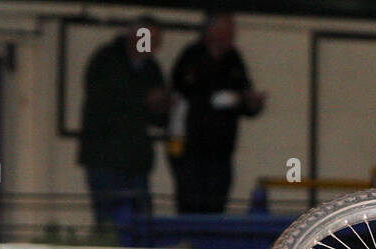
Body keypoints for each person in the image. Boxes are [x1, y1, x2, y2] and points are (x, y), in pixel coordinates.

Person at [168, 12, 266, 213]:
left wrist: (252, 103)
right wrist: (228, 98)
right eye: (227, 29)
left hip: (222, 148)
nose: (232, 34)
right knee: (190, 202)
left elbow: (244, 97)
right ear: (211, 31)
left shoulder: (233, 58)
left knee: (217, 203)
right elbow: (184, 92)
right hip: (191, 147)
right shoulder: (192, 55)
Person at [77, 17, 169, 229]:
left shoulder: (150, 68)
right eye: (150, 39)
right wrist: (144, 99)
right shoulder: (106, 60)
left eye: (156, 40)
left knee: (141, 223)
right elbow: (104, 101)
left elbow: (158, 118)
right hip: (105, 157)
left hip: (136, 160)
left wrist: (161, 106)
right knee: (109, 223)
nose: (154, 46)